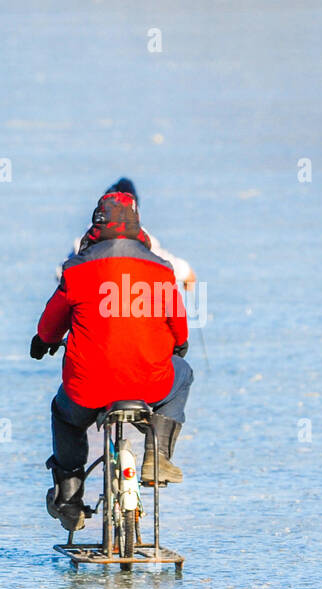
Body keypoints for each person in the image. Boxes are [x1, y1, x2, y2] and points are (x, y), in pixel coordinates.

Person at [32, 190, 193, 532]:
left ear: (97, 225)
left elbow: (50, 324)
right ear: (137, 225)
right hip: (148, 384)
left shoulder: (77, 269)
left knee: (65, 415)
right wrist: (179, 345)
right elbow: (178, 326)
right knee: (183, 372)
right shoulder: (161, 270)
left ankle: (69, 497)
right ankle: (157, 457)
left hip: (87, 387)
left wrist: (43, 341)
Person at [58, 178, 197, 291]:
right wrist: (186, 272)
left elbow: (61, 273)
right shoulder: (141, 238)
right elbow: (163, 263)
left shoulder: (87, 238)